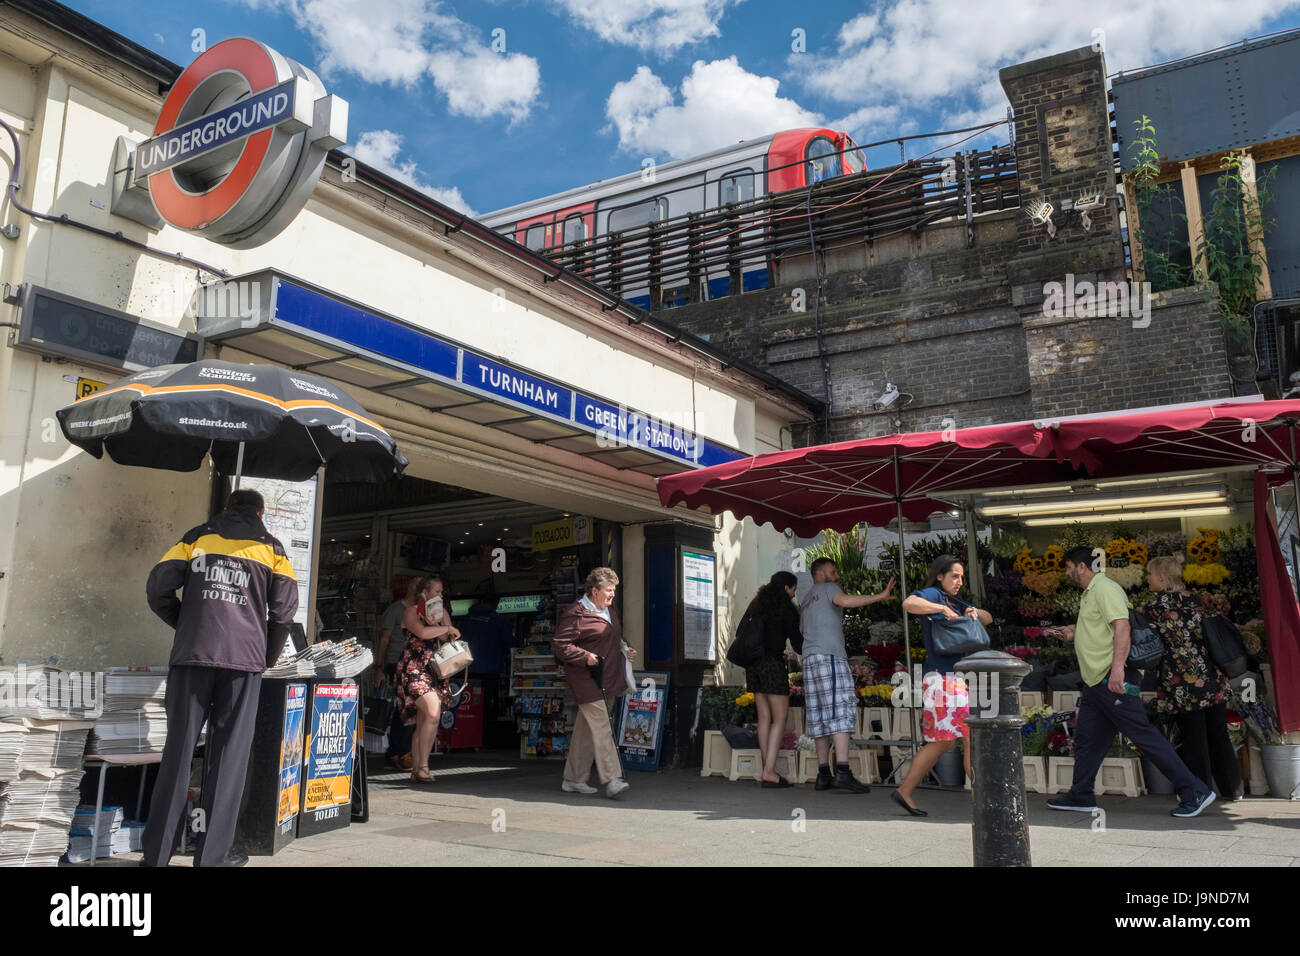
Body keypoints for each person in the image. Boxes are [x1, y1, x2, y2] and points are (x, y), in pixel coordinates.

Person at [141, 488, 298, 867]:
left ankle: (157, 855)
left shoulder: (195, 537)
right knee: (229, 759)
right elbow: (284, 613)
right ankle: (211, 856)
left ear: (226, 508)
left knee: (178, 752)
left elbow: (157, 587)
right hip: (243, 662)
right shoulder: (273, 549)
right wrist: (265, 657)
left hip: (192, 655)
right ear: (261, 513)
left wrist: (186, 624)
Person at [1046, 546, 1215, 818]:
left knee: (1142, 734)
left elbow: (1122, 626)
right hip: (1095, 682)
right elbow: (1102, 629)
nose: (1067, 572)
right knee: (1089, 739)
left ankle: (1194, 789)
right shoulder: (1092, 593)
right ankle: (1081, 794)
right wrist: (1072, 633)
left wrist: (1117, 671)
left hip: (1111, 679)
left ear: (1081, 566)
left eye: (1068, 567)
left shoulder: (1103, 589)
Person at [1144, 554, 1243, 800]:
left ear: (1162, 577)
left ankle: (1200, 790)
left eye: (1149, 574)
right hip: (1212, 677)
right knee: (1218, 734)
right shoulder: (1197, 600)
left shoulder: (1155, 607)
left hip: (1182, 681)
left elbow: (1149, 644)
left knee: (1193, 737)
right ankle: (1232, 789)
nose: (1147, 579)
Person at [895, 555, 988, 815]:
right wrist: (940, 609)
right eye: (954, 576)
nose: (959, 581)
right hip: (944, 679)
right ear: (940, 576)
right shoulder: (934, 595)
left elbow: (988, 619)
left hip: (950, 680)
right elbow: (908, 602)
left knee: (947, 742)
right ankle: (983, 798)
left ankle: (905, 791)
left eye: (961, 576)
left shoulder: (956, 600)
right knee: (965, 738)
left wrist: (974, 612)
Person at [800, 558, 895, 793]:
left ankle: (823, 773)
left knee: (819, 713)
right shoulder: (828, 588)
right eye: (833, 572)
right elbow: (845, 600)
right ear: (820, 573)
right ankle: (843, 770)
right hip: (829, 655)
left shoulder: (805, 599)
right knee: (841, 708)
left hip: (810, 658)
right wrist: (878, 596)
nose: (837, 577)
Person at [552, 567, 636, 798]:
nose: (612, 595)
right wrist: (585, 656)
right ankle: (612, 778)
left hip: (607, 676)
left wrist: (626, 647)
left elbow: (615, 634)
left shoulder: (610, 610)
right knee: (601, 726)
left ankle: (573, 779)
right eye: (608, 590)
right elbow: (560, 646)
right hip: (585, 678)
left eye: (614, 590)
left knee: (586, 730)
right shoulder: (576, 613)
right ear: (594, 590)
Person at [394, 576, 461, 784]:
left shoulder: (442, 614)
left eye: (442, 592)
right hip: (414, 667)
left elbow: (446, 638)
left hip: (435, 669)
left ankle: (417, 768)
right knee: (433, 712)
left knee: (425, 720)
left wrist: (441, 624)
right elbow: (421, 632)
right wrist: (446, 629)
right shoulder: (412, 611)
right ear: (424, 592)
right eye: (436, 591)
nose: (440, 595)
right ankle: (423, 766)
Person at [741, 571, 803, 787]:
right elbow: (797, 643)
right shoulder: (786, 608)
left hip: (753, 665)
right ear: (787, 587)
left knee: (764, 717)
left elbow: (742, 631)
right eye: (794, 590)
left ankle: (767, 769)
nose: (794, 594)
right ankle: (769, 771)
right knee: (780, 718)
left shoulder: (756, 603)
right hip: (772, 665)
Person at [459, 593, 516, 747]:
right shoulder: (499, 620)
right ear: (496, 603)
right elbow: (510, 644)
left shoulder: (467, 619)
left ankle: (467, 736)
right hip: (491, 670)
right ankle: (486, 738)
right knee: (488, 705)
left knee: (468, 705)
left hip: (468, 669)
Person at [375, 578, 418, 770]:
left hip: (414, 663)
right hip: (396, 662)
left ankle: (397, 752)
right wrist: (379, 667)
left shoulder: (424, 611)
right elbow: (384, 639)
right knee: (406, 708)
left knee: (409, 708)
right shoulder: (396, 610)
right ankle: (400, 752)